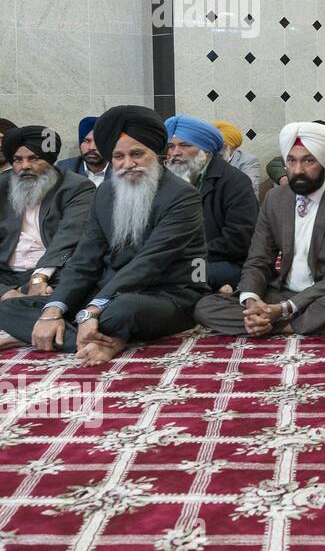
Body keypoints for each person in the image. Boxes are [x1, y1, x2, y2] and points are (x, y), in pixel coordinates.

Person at [0, 106, 208, 365]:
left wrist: (92, 310)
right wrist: (52, 311)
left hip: (166, 293)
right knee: (8, 307)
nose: (127, 164)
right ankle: (88, 337)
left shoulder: (182, 196)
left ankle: (68, 335)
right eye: (118, 156)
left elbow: (150, 263)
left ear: (157, 154)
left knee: (120, 312)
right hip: (109, 287)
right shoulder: (105, 193)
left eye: (137, 154)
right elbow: (84, 259)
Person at [194, 122, 325, 337]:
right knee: (204, 306)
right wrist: (253, 303)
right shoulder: (275, 199)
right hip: (283, 290)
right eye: (291, 161)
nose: (297, 170)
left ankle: (285, 324)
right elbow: (258, 259)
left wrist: (283, 309)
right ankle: (308, 325)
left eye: (308, 161)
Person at [164, 115, 259, 293]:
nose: (175, 152)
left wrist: (184, 253)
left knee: (181, 275)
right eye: (171, 146)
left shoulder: (235, 182)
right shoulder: (169, 181)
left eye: (185, 145)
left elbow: (238, 240)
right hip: (175, 258)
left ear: (206, 151)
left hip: (223, 262)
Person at [0, 126, 94, 298]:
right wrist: (5, 293)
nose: (25, 166)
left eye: (34, 158)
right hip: (5, 275)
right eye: (17, 160)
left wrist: (39, 277)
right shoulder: (2, 185)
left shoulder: (76, 187)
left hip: (52, 272)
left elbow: (69, 236)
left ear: (50, 161)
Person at [56, 116, 109, 187]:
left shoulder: (120, 169)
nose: (92, 147)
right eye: (87, 141)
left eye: (99, 141)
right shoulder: (64, 169)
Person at [214, 121, 262, 190]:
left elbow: (249, 187)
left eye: (221, 144)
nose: (216, 148)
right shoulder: (208, 159)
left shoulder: (249, 160)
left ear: (232, 145)